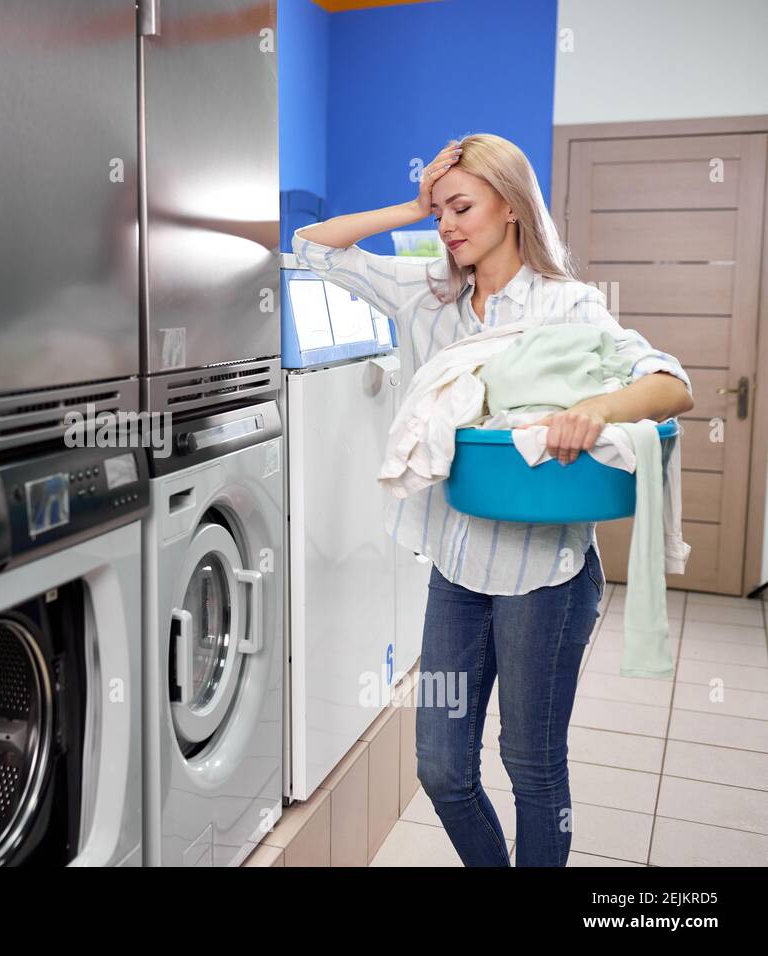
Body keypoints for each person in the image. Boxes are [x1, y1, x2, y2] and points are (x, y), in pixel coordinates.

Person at [292, 133, 694, 866]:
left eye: (462, 206)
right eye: (439, 210)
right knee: (441, 766)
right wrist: (413, 204)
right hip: (458, 571)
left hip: (547, 577)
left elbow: (670, 382)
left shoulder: (566, 305)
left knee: (532, 765)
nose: (447, 224)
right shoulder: (428, 296)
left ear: (509, 206)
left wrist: (597, 410)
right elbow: (313, 246)